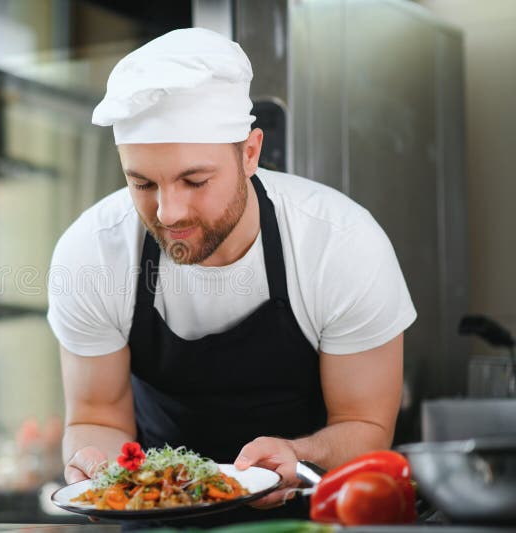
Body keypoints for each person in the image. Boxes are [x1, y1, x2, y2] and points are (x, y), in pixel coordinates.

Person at [47, 27, 416, 523]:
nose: (169, 211)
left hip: (308, 516)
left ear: (249, 153)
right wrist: (98, 467)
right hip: (156, 516)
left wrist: (299, 453)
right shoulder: (91, 253)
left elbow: (365, 426)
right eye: (142, 183)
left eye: (194, 181)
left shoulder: (339, 243)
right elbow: (96, 417)